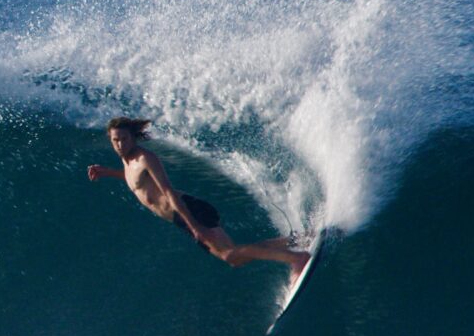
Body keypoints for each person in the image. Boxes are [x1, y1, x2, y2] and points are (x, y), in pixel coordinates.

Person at [88, 117, 310, 280]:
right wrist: (107, 172)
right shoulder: (128, 163)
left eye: (124, 139)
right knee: (233, 257)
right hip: (181, 219)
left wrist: (194, 226)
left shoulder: (146, 158)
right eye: (115, 140)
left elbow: (168, 191)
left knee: (230, 255)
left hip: (189, 211)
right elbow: (135, 181)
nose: (120, 144)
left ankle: (296, 259)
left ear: (132, 137)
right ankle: (296, 240)